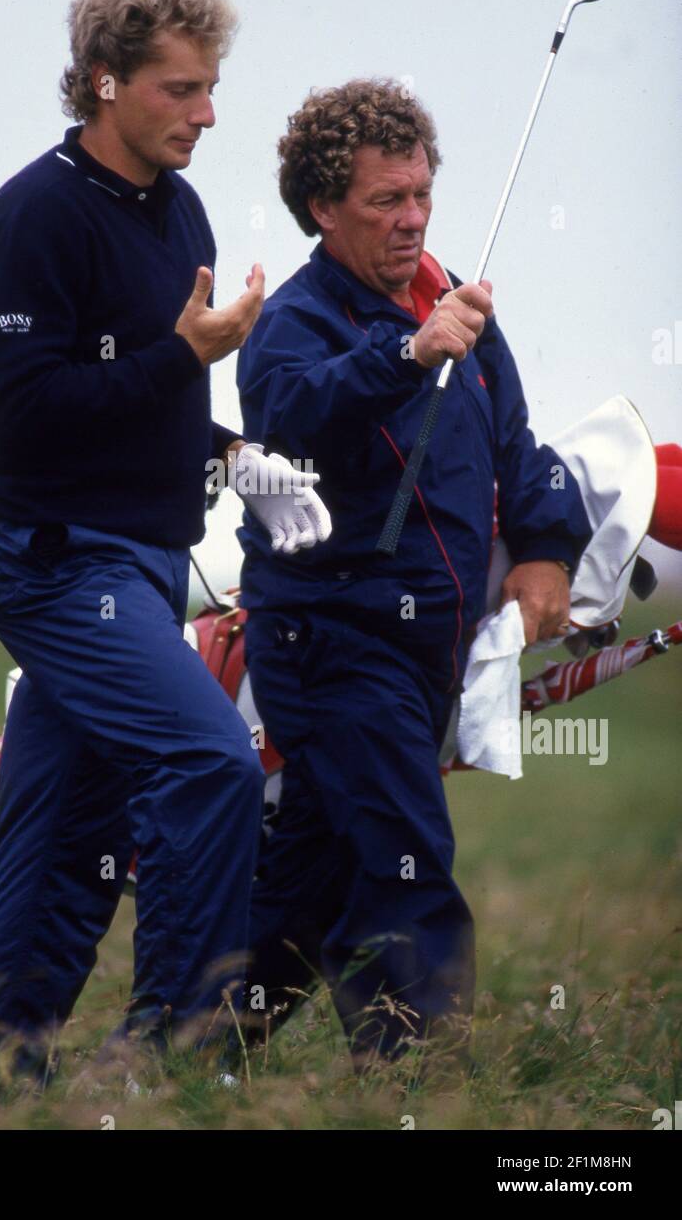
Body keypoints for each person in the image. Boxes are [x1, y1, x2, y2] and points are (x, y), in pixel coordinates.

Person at [0, 0, 329, 1086]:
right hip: (56, 564)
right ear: (105, 82)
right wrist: (182, 358)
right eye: (180, 89)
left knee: (65, 830)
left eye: (211, 87)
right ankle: (170, 1046)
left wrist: (234, 454)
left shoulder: (179, 208)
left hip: (146, 560)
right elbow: (17, 426)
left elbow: (145, 398)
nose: (207, 113)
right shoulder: (34, 219)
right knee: (212, 761)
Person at [234, 78, 592, 1069]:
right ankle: (418, 1083)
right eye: (385, 201)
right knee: (405, 861)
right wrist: (404, 352)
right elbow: (289, 416)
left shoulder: (456, 304)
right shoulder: (295, 324)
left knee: (312, 877)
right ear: (322, 207)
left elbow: (518, 448)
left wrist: (545, 551)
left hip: (429, 644)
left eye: (422, 193)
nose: (412, 217)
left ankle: (192, 1051)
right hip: (332, 642)